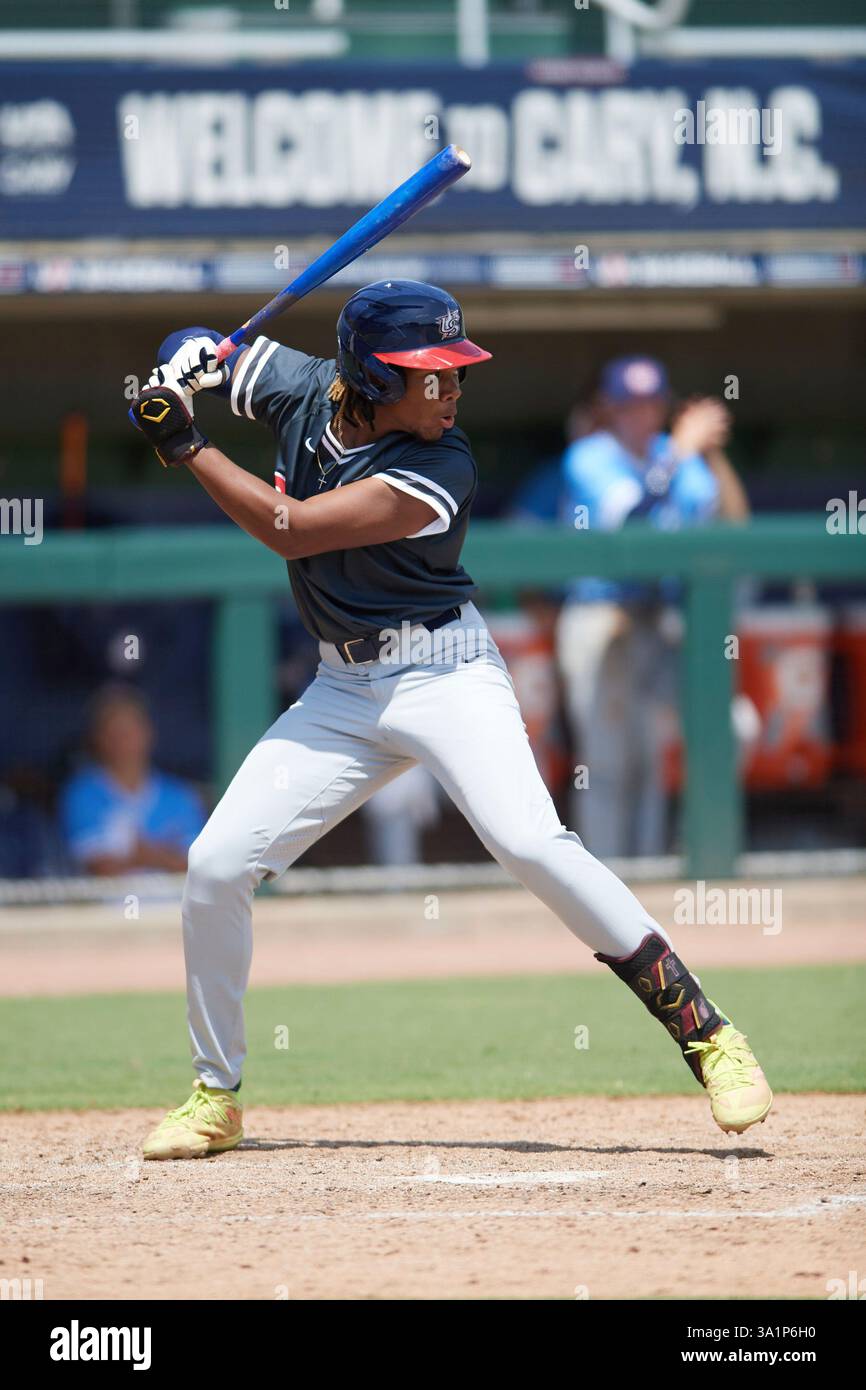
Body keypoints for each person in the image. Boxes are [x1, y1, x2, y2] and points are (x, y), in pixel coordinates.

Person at [129, 282, 771, 1160]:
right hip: (340, 689)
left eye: (455, 373)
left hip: (444, 673)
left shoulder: (442, 465)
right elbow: (211, 343)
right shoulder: (308, 388)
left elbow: (293, 528)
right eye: (432, 376)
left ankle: (708, 1034)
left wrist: (185, 442)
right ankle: (215, 1093)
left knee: (533, 844)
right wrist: (189, 360)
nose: (453, 391)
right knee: (214, 865)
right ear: (370, 375)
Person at [556, 356, 750, 858]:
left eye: (651, 405)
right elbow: (633, 522)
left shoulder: (674, 454)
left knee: (731, 727)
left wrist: (712, 455)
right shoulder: (590, 456)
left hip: (660, 622)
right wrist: (683, 452)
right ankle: (605, 887)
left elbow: (730, 523)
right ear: (610, 409)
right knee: (608, 765)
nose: (641, 416)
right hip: (601, 619)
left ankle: (693, 854)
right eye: (629, 406)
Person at [60, 686, 205, 875]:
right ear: (97, 738)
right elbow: (100, 868)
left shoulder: (181, 796)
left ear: (148, 733)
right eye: (113, 733)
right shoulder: (82, 795)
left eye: (130, 731)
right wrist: (164, 853)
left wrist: (140, 854)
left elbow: (195, 866)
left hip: (172, 904)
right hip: (108, 904)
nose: (123, 741)